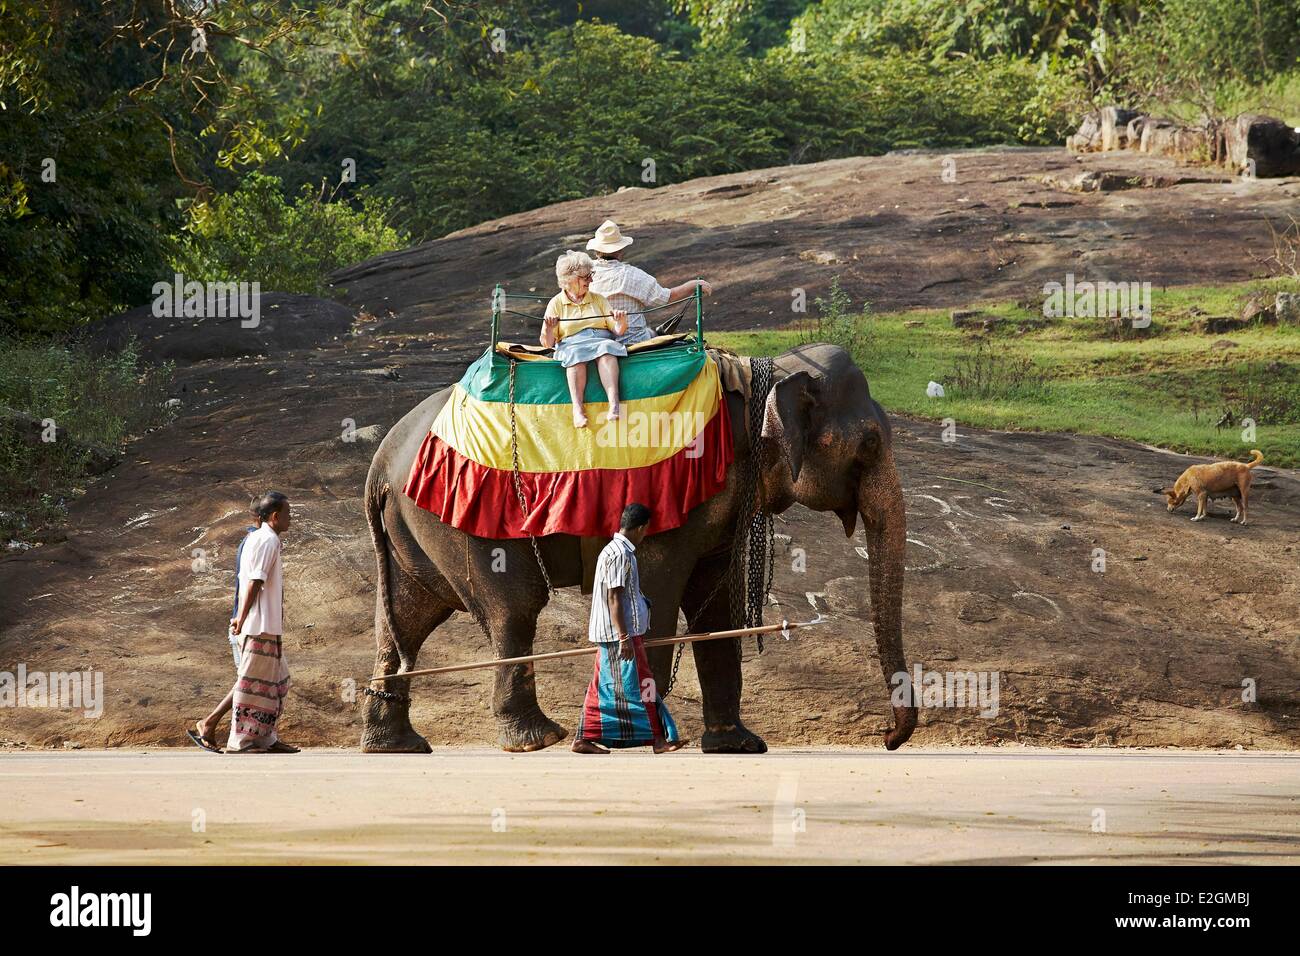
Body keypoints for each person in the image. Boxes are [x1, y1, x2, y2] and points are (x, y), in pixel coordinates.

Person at [573, 503, 684, 755]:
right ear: (642, 527)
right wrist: (624, 637)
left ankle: (583, 737)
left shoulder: (615, 551)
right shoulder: (620, 554)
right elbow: (614, 598)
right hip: (620, 636)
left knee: (602, 686)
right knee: (643, 683)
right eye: (646, 531)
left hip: (620, 634)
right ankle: (658, 739)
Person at [197, 492, 299, 754]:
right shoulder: (267, 540)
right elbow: (255, 581)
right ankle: (239, 740)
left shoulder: (260, 538)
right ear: (275, 516)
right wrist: (241, 619)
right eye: (287, 513)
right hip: (258, 624)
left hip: (266, 624)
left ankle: (265, 738)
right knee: (251, 684)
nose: (291, 518)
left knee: (277, 681)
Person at [187, 501, 263, 752]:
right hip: (246, 624)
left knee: (251, 681)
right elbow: (251, 585)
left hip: (245, 622)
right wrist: (241, 620)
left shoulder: (250, 542)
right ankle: (210, 724)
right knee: (247, 681)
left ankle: (249, 735)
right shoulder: (258, 543)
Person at [586, 219, 713, 346]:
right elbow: (664, 298)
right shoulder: (633, 275)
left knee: (651, 332)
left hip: (597, 340)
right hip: (633, 341)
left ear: (596, 250)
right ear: (620, 250)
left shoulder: (583, 275)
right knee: (651, 333)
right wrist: (691, 285)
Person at [541, 250, 629, 428]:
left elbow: (618, 331)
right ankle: (577, 411)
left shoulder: (599, 299)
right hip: (571, 344)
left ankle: (614, 405)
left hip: (601, 340)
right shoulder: (556, 303)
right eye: (586, 277)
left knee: (607, 350)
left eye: (591, 275)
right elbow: (548, 344)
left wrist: (621, 321)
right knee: (575, 356)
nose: (591, 280)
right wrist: (549, 328)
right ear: (570, 280)